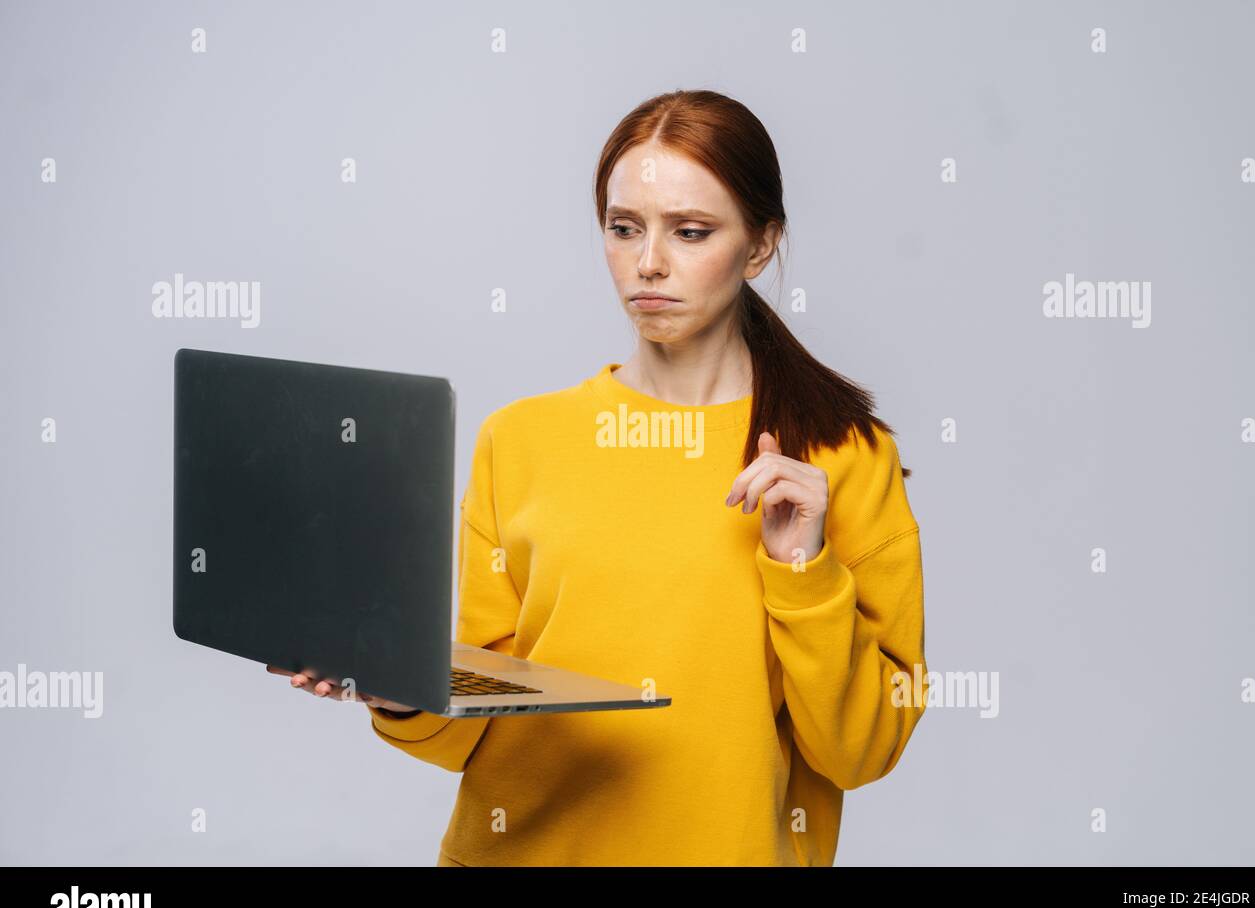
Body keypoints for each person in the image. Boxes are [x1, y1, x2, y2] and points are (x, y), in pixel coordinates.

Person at [269, 89, 928, 866]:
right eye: (624, 229)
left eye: (690, 232)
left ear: (759, 247)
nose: (648, 263)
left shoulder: (840, 458)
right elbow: (475, 720)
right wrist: (396, 686)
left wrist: (805, 573)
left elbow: (863, 751)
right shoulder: (518, 439)